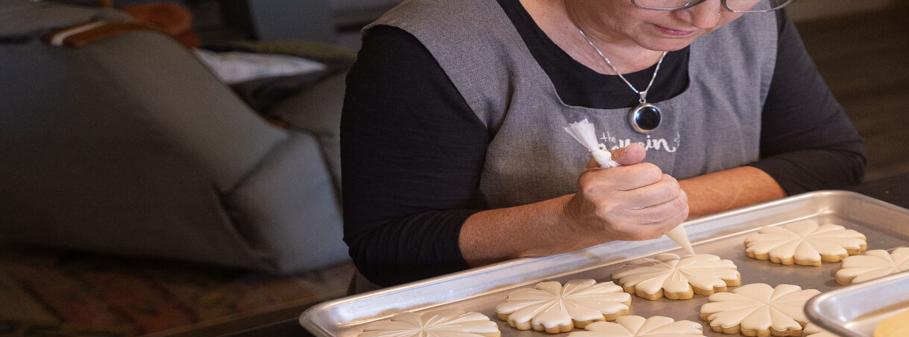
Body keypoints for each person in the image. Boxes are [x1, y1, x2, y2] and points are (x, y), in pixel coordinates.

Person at [341, 0, 866, 288]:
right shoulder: (432, 48)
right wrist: (569, 222)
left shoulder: (746, 17)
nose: (706, 20)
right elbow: (390, 247)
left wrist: (663, 207)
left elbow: (830, 161)